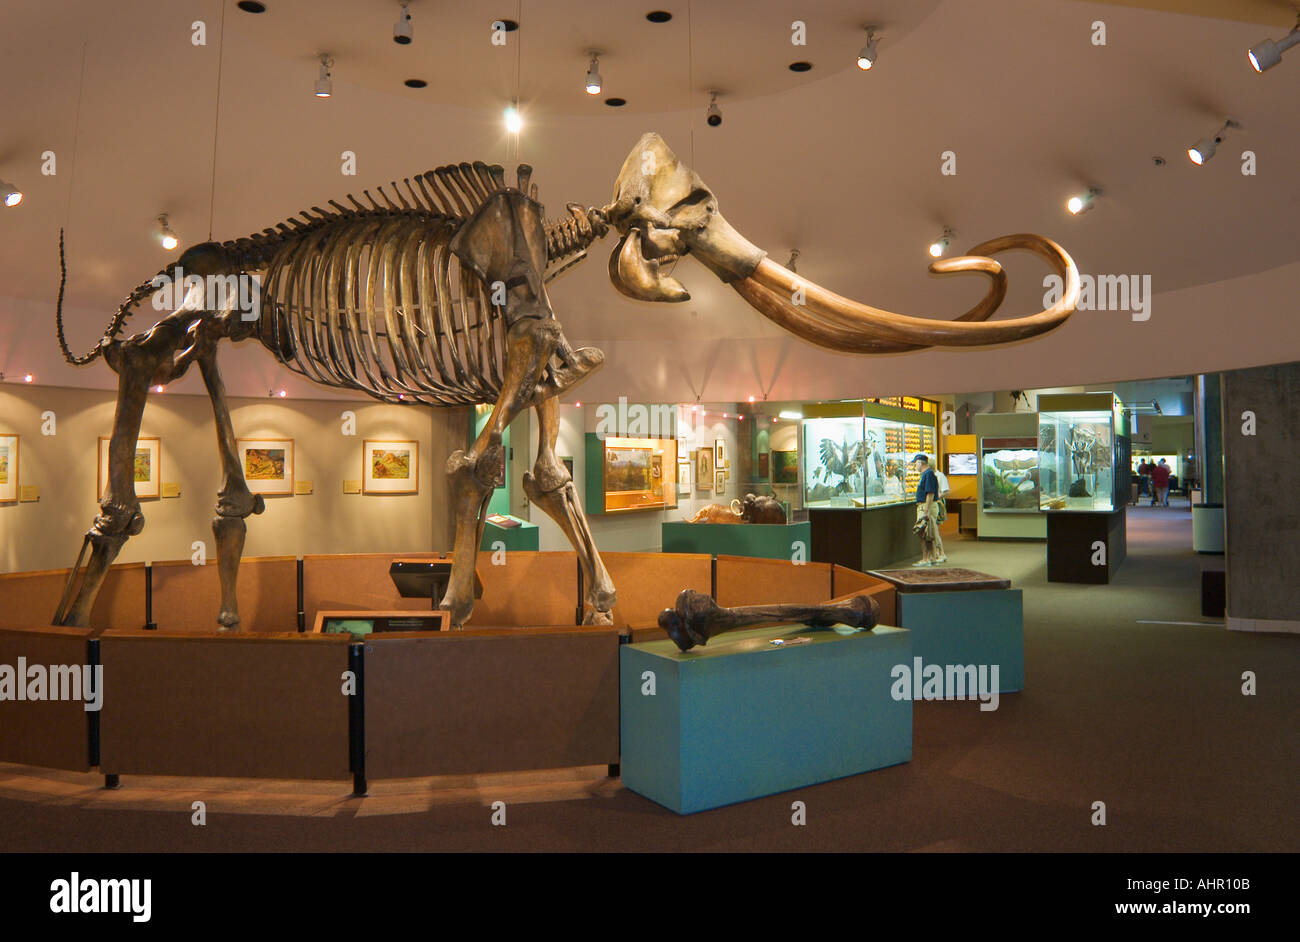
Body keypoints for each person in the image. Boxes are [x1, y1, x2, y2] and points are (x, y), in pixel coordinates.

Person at [911, 453, 940, 566]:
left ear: (920, 463)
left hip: (926, 506)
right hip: (926, 506)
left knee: (923, 532)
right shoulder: (927, 474)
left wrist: (926, 510)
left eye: (916, 464)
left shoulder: (928, 475)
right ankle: (932, 558)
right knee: (928, 533)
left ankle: (926, 558)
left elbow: (930, 493)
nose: (915, 466)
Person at [932, 465, 950, 563]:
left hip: (937, 504)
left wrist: (936, 497)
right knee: (933, 530)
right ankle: (936, 553)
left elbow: (946, 491)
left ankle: (941, 553)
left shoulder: (940, 476)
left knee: (934, 530)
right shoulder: (931, 475)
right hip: (933, 503)